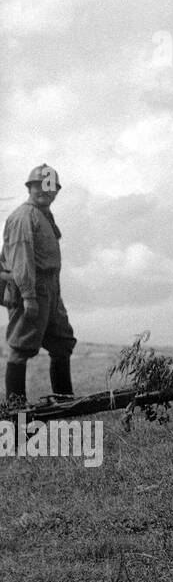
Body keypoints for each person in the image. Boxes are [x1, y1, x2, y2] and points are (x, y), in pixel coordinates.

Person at [2, 165, 77, 410]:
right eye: (41, 186)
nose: (46, 191)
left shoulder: (43, 214)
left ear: (56, 191)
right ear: (30, 187)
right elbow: (22, 259)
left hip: (49, 290)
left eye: (51, 187)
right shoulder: (24, 217)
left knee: (62, 342)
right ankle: (15, 409)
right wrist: (28, 297)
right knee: (20, 346)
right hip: (31, 289)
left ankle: (65, 401)